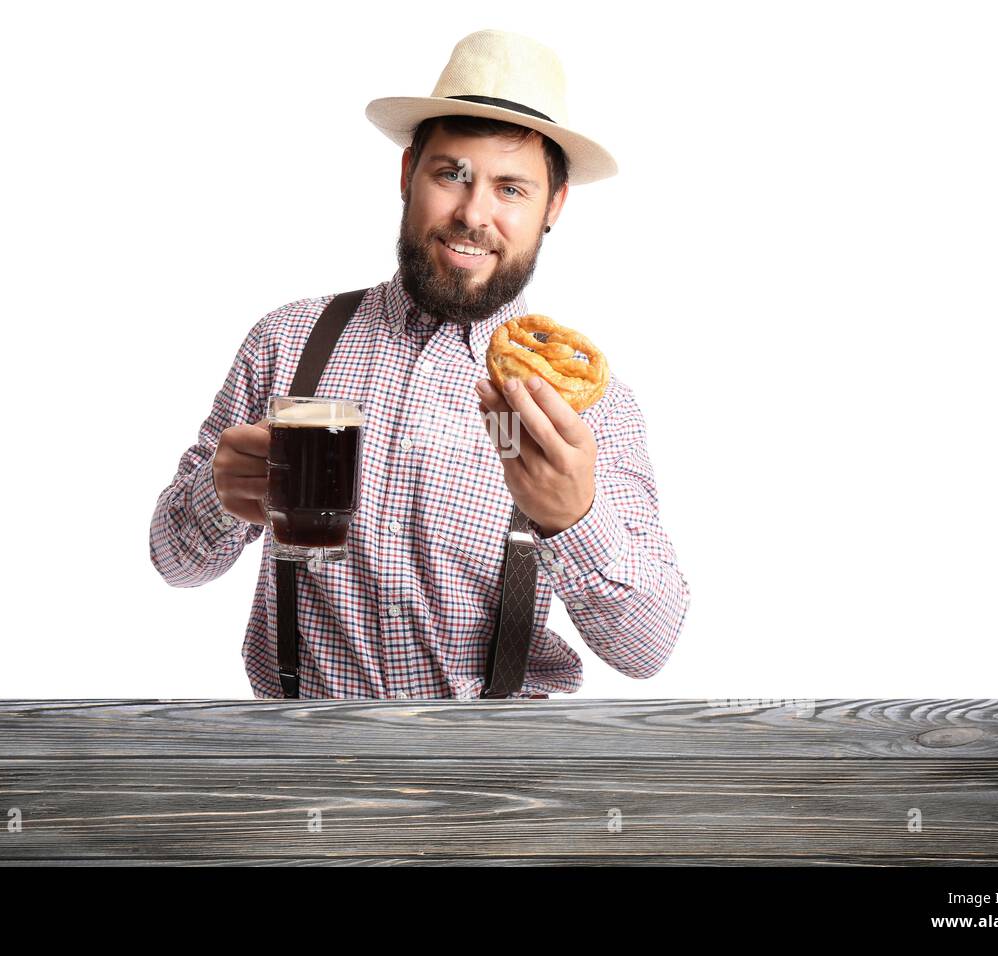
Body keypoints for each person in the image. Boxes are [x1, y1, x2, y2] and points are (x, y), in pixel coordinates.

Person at [150, 30, 690, 699]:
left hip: (493, 778)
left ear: (554, 207)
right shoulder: (287, 344)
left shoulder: (585, 406)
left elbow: (650, 645)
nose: (473, 214)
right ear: (408, 173)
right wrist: (218, 495)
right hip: (301, 763)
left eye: (512, 189)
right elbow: (173, 562)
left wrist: (574, 516)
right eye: (451, 174)